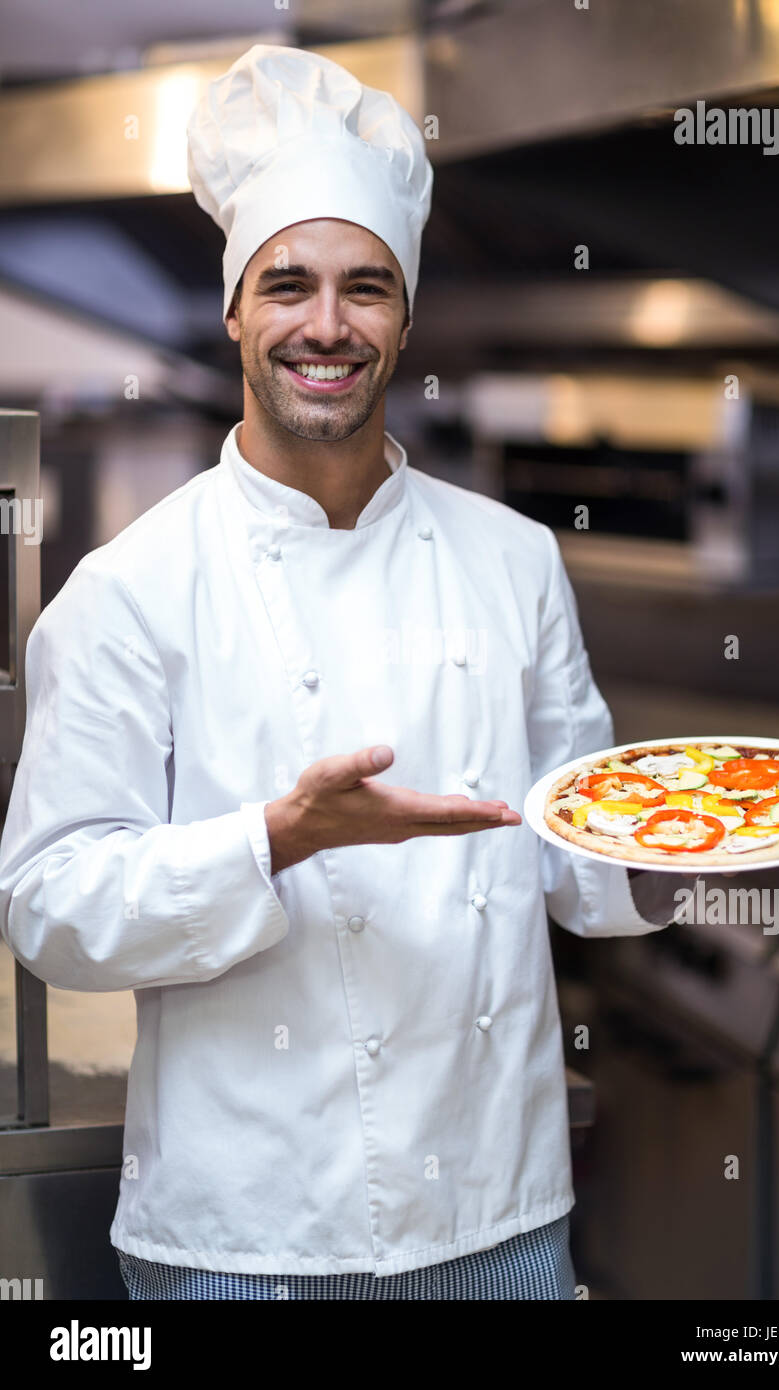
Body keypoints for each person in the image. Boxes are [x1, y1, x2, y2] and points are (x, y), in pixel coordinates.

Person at [0, 45, 697, 1301]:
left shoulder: (514, 560)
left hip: (502, 1219)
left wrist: (686, 847)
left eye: (364, 289)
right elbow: (50, 904)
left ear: (405, 317)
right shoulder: (130, 587)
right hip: (241, 1240)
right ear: (232, 311)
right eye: (290, 287)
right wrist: (274, 838)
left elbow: (577, 847)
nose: (326, 327)